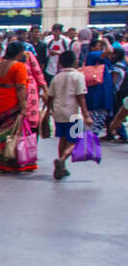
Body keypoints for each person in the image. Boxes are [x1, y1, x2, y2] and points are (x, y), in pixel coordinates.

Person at [0, 40, 36, 173]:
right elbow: (20, 87)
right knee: (11, 132)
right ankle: (4, 161)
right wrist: (24, 106)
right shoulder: (19, 67)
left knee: (3, 131)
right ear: (19, 53)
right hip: (12, 101)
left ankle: (0, 160)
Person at [47, 49, 92, 180]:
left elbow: (50, 96)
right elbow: (81, 97)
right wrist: (86, 115)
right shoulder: (78, 76)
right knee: (75, 140)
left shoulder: (57, 77)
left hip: (59, 112)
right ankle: (62, 160)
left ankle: (63, 167)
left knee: (62, 139)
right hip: (73, 113)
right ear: (74, 61)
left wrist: (49, 111)